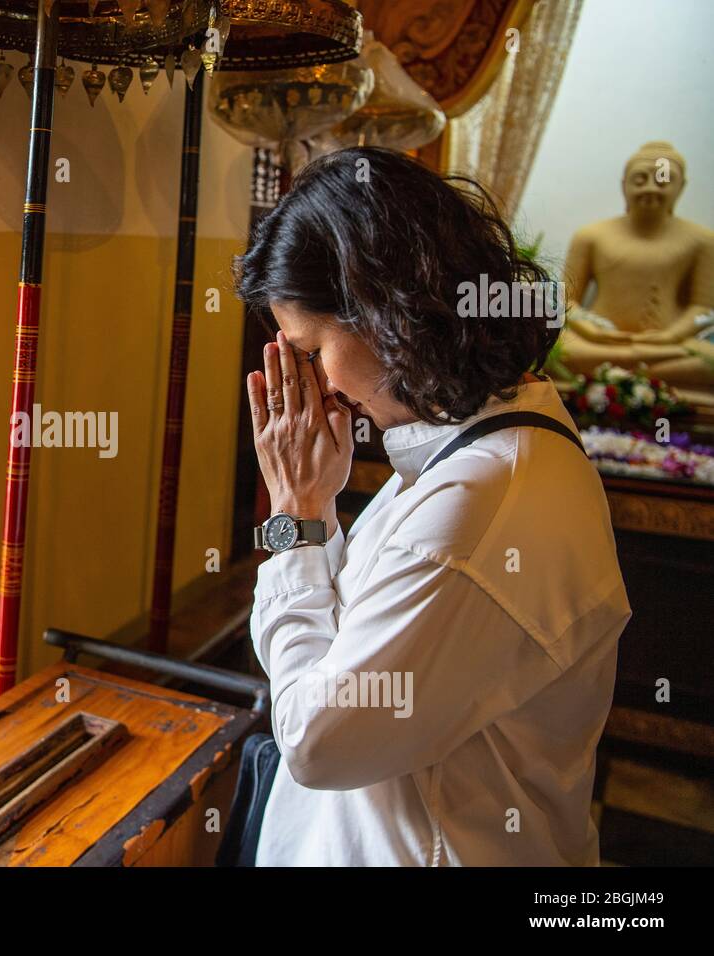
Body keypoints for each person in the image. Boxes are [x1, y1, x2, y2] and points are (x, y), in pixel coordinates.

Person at [233, 146, 631, 866]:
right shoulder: (462, 446)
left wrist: (292, 518)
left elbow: (317, 741)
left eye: (311, 348)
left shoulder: (479, 504)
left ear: (386, 311)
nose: (316, 387)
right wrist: (308, 511)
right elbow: (345, 642)